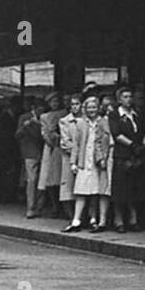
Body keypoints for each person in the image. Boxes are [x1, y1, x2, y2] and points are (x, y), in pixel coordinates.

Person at [66, 92, 112, 233]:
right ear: (84, 109)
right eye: (89, 107)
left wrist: (105, 158)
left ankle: (95, 219)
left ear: (98, 108)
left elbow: (108, 141)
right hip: (84, 161)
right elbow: (76, 144)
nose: (92, 110)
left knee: (97, 192)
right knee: (81, 191)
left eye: (94, 107)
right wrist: (73, 162)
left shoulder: (104, 122)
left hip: (99, 162)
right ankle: (76, 220)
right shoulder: (81, 123)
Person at [109, 86, 145, 231]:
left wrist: (142, 143)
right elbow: (116, 133)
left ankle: (133, 219)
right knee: (120, 190)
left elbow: (143, 130)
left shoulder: (136, 114)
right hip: (122, 154)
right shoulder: (115, 114)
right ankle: (118, 220)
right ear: (119, 99)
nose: (128, 99)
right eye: (125, 97)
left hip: (136, 154)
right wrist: (132, 145)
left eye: (130, 96)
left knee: (133, 189)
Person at [15, 97, 46, 218]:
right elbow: (17, 135)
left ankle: (40, 206)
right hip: (30, 152)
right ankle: (31, 207)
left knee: (43, 180)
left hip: (45, 151)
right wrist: (25, 126)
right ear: (34, 108)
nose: (41, 111)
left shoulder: (45, 117)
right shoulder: (24, 117)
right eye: (40, 109)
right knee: (32, 180)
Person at [36, 93, 65, 218]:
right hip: (50, 148)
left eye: (57, 102)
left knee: (62, 178)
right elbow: (45, 133)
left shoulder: (64, 113)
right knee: (50, 178)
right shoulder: (45, 117)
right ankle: (54, 206)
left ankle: (63, 205)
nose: (55, 104)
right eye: (52, 102)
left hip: (63, 147)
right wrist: (51, 138)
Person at [57, 92, 84, 222]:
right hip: (69, 158)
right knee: (68, 187)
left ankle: (84, 217)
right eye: (72, 104)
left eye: (77, 104)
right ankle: (71, 216)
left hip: (86, 158)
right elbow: (65, 141)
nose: (75, 107)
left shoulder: (86, 119)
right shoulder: (64, 121)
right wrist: (78, 151)